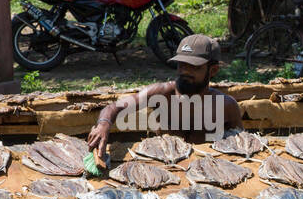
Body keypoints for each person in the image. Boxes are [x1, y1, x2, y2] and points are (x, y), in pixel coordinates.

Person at [86, 33, 244, 172]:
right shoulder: (161, 93)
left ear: (213, 70)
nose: (184, 71)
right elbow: (115, 107)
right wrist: (104, 124)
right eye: (181, 65)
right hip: (163, 171)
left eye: (193, 67)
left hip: (209, 173)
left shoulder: (226, 106)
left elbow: (242, 143)